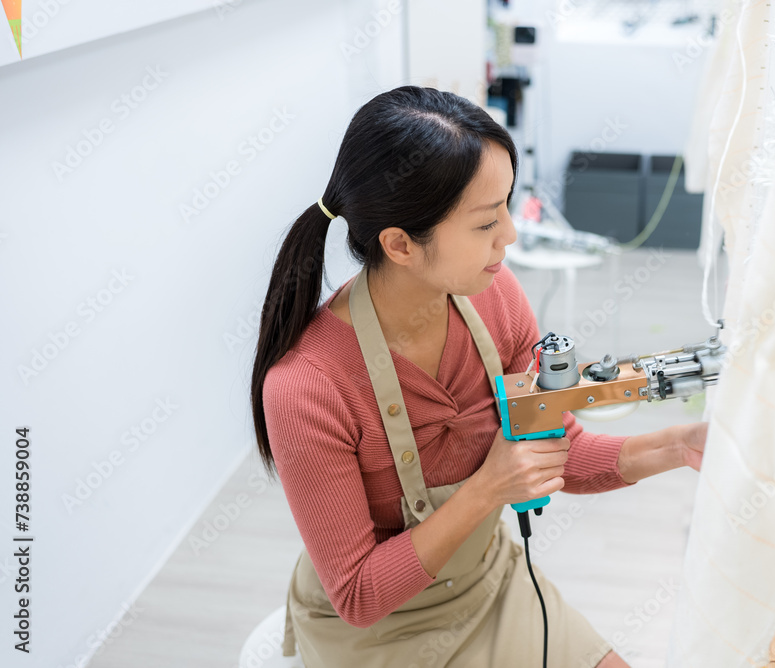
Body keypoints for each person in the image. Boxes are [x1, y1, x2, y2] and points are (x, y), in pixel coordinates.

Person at [249, 85, 708, 668]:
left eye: (508, 207)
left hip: (487, 584)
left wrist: (679, 444)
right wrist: (489, 488)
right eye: (486, 222)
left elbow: (560, 450)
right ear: (400, 245)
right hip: (377, 634)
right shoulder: (307, 388)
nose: (510, 235)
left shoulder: (497, 301)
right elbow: (359, 596)